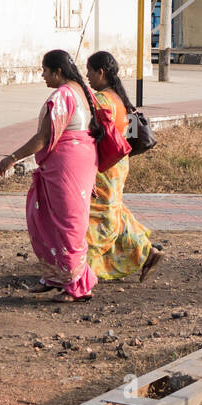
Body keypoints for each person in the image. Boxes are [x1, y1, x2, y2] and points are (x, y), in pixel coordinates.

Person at [0, 50, 99, 302]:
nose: (42, 75)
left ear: (58, 71)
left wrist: (12, 158)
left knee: (67, 224)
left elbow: (43, 138)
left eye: (45, 70)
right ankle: (55, 277)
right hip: (79, 161)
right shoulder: (81, 91)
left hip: (68, 165)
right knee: (51, 218)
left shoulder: (64, 94)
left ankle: (76, 287)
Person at [84, 51, 163, 283]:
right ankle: (146, 251)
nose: (87, 75)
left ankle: (83, 267)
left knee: (99, 216)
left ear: (100, 72)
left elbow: (97, 134)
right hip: (119, 164)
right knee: (113, 210)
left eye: (89, 70)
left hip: (106, 166)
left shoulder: (103, 99)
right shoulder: (120, 98)